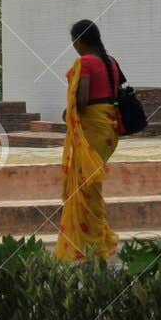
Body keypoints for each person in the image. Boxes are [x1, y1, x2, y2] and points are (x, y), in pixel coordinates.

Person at [54, 19, 122, 262]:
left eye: (73, 41)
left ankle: (95, 247)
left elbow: (82, 101)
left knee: (87, 190)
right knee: (91, 188)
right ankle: (95, 244)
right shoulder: (111, 62)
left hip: (92, 127)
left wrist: (68, 112)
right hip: (108, 129)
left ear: (78, 40)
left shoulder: (85, 62)